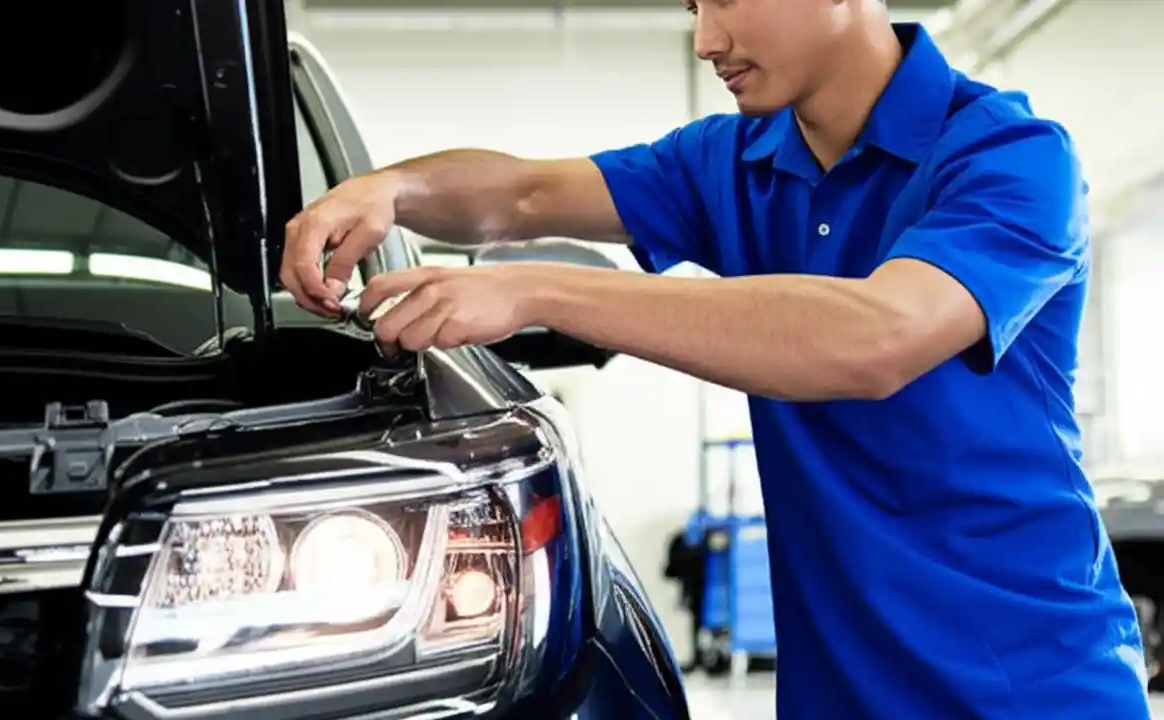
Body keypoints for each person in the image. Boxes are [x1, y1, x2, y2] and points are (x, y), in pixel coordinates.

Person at [281, 0, 1152, 717]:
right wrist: (389, 189)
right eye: (696, 7)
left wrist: (540, 292)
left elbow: (876, 338)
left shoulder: (1009, 156)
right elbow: (526, 191)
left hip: (1028, 688)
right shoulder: (730, 162)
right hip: (835, 698)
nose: (706, 41)